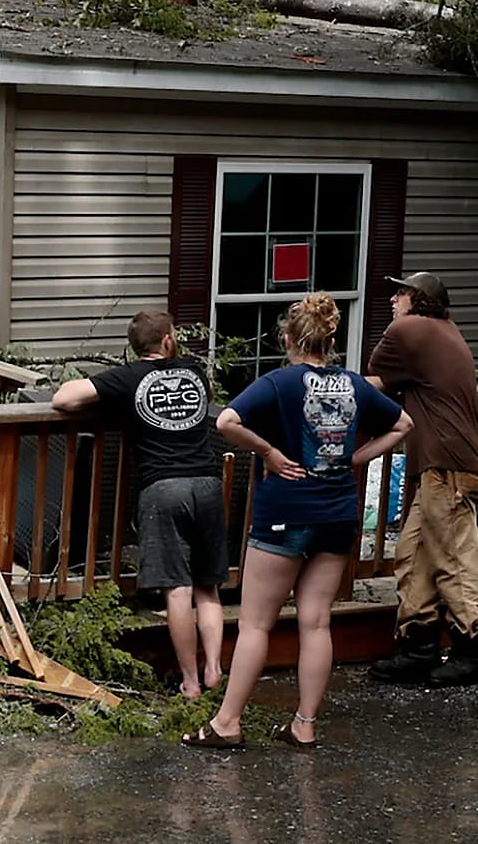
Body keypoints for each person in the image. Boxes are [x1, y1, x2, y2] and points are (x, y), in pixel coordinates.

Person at [182, 293, 412, 749]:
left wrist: (267, 451)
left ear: (288, 338)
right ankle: (304, 724)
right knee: (316, 622)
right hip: (337, 514)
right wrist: (356, 458)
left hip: (285, 513)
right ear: (330, 341)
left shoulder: (281, 383)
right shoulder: (354, 385)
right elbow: (403, 423)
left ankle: (227, 722)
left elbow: (226, 421)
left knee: (256, 624)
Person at [52, 310, 228, 698]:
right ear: (167, 340)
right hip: (207, 483)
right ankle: (215, 669)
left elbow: (63, 398)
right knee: (208, 588)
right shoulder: (195, 372)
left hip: (162, 488)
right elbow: (208, 401)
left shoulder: (129, 378)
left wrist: (112, 402)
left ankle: (191, 682)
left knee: (177, 590)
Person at [365, 271, 478, 687]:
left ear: (419, 299)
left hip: (449, 466)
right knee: (415, 553)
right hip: (439, 466)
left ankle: (471, 651)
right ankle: (418, 646)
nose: (393, 300)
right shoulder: (443, 331)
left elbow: (376, 377)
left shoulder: (411, 329)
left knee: (453, 556)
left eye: (400, 293)